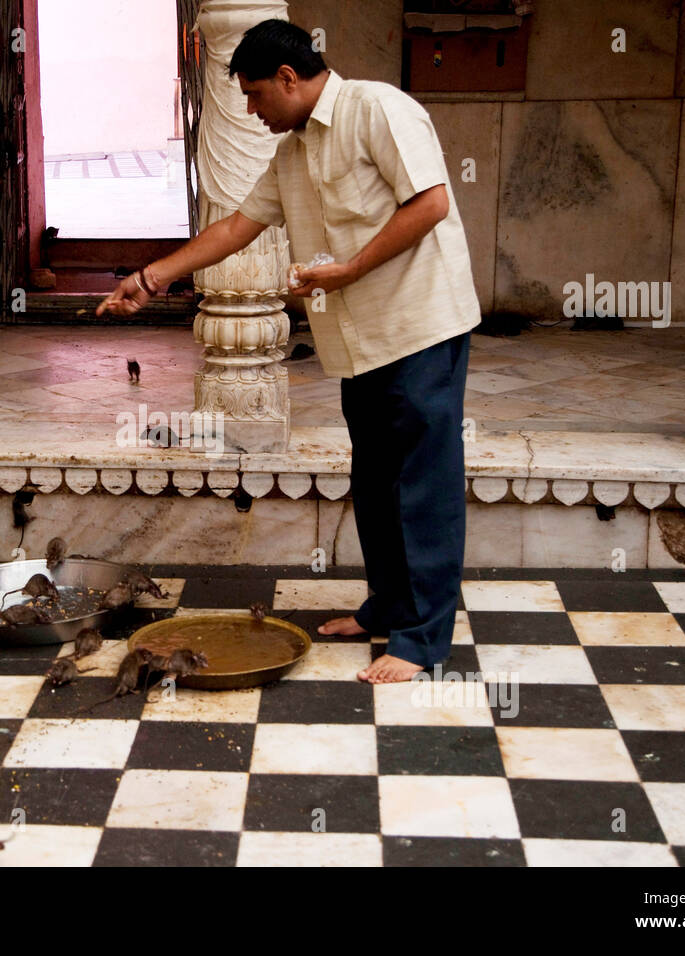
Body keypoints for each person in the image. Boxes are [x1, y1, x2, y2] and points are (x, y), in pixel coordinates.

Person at [97, 19, 480, 683]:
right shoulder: (293, 153)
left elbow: (432, 205)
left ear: (287, 77)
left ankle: (422, 640)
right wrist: (153, 278)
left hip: (419, 327)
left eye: (254, 94)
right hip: (359, 345)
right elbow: (237, 227)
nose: (250, 109)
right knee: (376, 482)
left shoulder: (379, 110)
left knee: (423, 487)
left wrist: (349, 269)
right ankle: (389, 607)